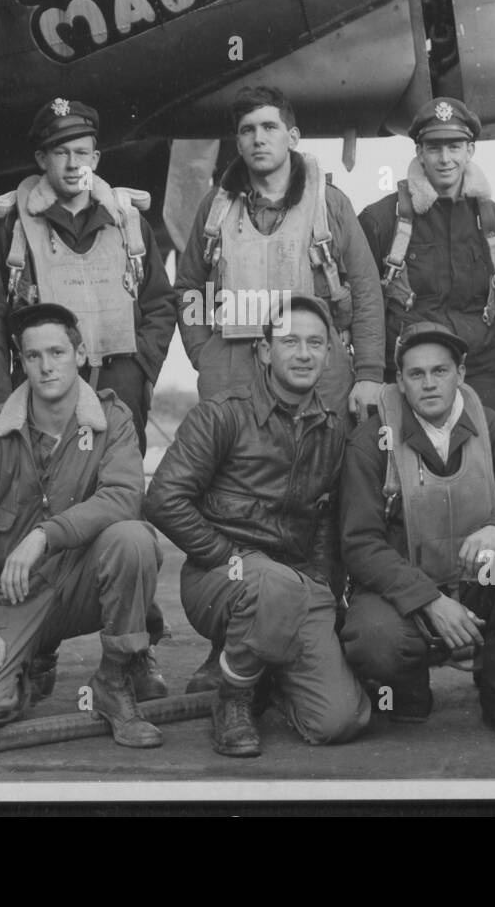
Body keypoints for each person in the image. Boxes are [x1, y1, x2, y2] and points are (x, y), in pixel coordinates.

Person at [145, 296, 371, 757]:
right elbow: (163, 499)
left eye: (315, 343)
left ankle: (268, 674)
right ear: (265, 351)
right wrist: (228, 556)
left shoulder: (332, 430)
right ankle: (234, 698)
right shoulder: (222, 414)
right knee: (272, 584)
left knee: (340, 719)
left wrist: (326, 586)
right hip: (218, 577)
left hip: (294, 583)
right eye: (290, 342)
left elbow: (326, 518)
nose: (304, 353)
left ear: (329, 354)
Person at [0, 303, 165, 748]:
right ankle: (24, 662)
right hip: (11, 593)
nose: (46, 367)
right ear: (21, 363)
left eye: (58, 353)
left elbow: (124, 496)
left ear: (80, 355)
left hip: (79, 579)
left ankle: (115, 681)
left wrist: (45, 534)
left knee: (133, 540)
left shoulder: (111, 421)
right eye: (33, 356)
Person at [339, 322, 495, 737]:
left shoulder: (490, 426)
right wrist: (428, 600)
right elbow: (360, 544)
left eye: (440, 371)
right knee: (373, 637)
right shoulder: (371, 441)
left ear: (460, 374)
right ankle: (406, 687)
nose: (429, 384)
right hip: (405, 594)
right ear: (400, 382)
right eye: (416, 374)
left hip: (476, 581)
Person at [0, 97, 177, 452]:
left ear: (95, 160)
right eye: (60, 152)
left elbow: (160, 303)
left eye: (81, 153)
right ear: (41, 159)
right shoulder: (16, 229)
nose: (72, 164)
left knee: (120, 496)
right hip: (44, 396)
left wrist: (140, 368)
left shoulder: (129, 224)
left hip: (121, 393)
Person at [173, 85, 385, 423]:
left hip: (317, 374)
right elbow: (187, 290)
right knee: (235, 473)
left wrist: (370, 374)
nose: (258, 138)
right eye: (247, 130)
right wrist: (203, 354)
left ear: (293, 136)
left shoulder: (329, 205)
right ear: (238, 142)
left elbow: (365, 290)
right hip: (232, 376)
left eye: (269, 127)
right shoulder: (214, 210)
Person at [357, 98, 495, 413]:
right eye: (433, 147)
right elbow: (364, 305)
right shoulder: (381, 220)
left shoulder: (494, 222)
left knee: (484, 458)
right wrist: (370, 374)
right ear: (419, 151)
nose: (445, 159)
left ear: (470, 151)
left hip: (478, 374)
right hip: (407, 375)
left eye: (455, 147)